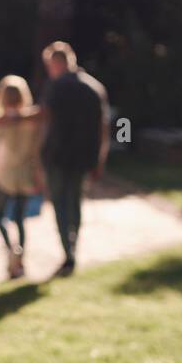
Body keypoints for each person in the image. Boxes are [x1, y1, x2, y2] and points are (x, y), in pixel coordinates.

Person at [36, 41, 108, 276]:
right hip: (83, 157)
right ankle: (73, 247)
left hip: (57, 156)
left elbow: (44, 122)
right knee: (75, 202)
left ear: (57, 63)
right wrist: (100, 159)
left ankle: (67, 252)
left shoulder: (55, 87)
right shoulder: (94, 88)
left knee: (59, 204)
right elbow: (103, 129)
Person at [0, 75, 44, 279]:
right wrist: (38, 173)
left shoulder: (1, 120)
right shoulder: (32, 119)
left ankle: (11, 250)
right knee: (20, 219)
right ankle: (20, 258)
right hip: (25, 174)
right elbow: (38, 148)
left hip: (5, 174)